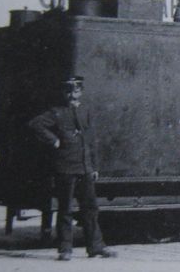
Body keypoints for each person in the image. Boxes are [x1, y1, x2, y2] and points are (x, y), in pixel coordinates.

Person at [28, 76, 116, 260]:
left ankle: (96, 247)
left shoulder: (85, 111)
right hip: (65, 167)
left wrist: (94, 166)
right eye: (68, 91)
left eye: (75, 91)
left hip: (85, 168)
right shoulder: (57, 112)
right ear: (64, 93)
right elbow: (36, 124)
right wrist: (54, 140)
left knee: (90, 208)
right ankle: (65, 248)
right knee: (66, 209)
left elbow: (91, 141)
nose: (71, 95)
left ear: (81, 92)